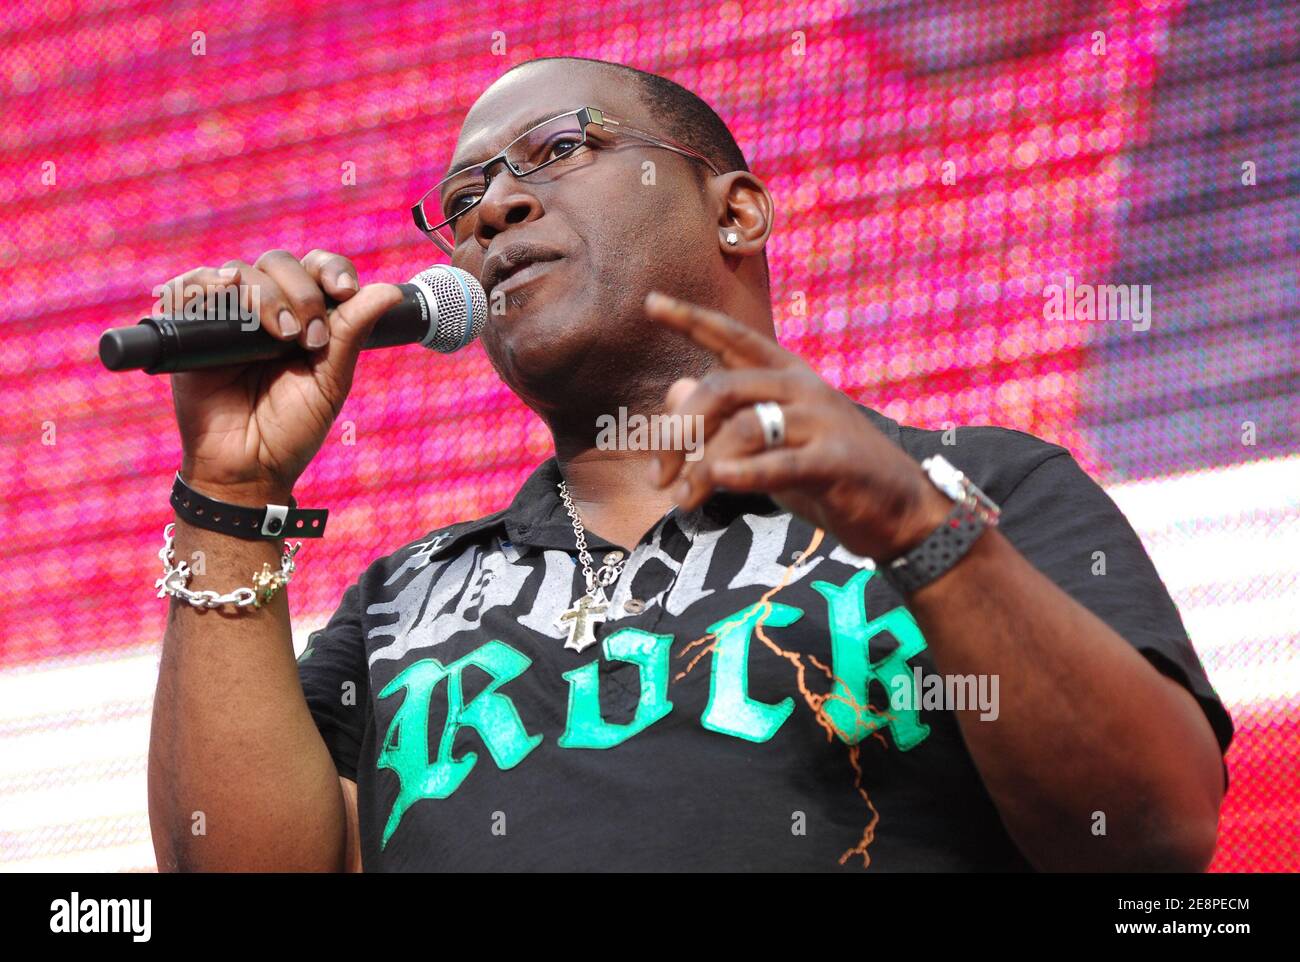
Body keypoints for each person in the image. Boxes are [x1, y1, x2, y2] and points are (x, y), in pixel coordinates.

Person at [147, 56, 1232, 872]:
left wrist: (912, 524)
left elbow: (1149, 832)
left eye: (560, 148)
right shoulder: (403, 596)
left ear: (736, 210)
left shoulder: (977, 480)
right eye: (463, 197)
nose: (493, 208)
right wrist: (231, 491)